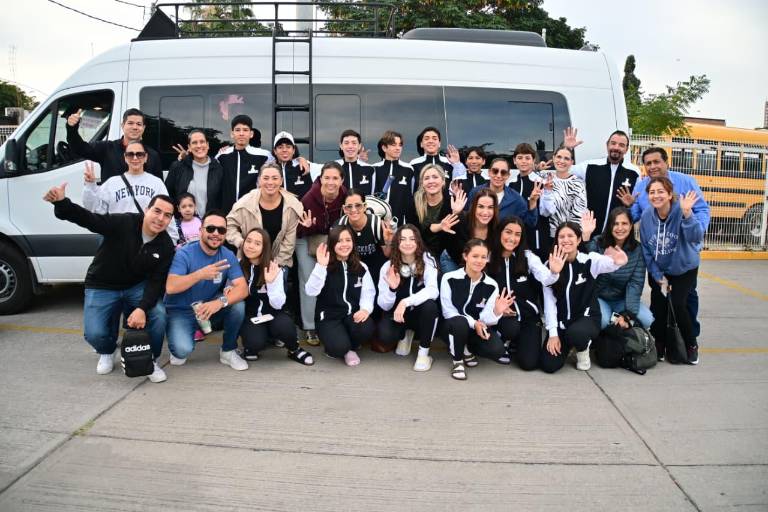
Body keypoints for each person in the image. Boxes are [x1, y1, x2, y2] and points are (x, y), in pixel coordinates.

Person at [44, 183, 174, 383]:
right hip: (102, 284)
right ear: (147, 210)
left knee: (158, 314)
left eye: (167, 215)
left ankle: (150, 359)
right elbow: (91, 220)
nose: (160, 218)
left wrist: (141, 308)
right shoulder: (125, 222)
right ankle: (107, 350)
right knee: (94, 334)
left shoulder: (165, 245)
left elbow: (157, 283)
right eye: (157, 211)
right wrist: (63, 203)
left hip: (135, 286)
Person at [622, 146, 710, 340]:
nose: (652, 166)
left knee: (685, 298)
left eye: (656, 162)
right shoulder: (641, 186)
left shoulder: (685, 181)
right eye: (648, 163)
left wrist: (695, 233)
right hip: (658, 256)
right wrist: (628, 207)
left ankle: (689, 335)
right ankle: (662, 338)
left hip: (682, 254)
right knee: (659, 298)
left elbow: (702, 209)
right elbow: (636, 216)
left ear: (666, 162)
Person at [164, 210, 250, 371]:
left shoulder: (227, 255)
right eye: (210, 229)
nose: (216, 234)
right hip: (181, 310)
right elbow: (171, 286)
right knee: (181, 353)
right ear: (201, 230)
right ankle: (181, 335)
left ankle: (228, 351)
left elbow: (243, 288)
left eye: (221, 230)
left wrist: (220, 302)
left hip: (208, 308)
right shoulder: (185, 253)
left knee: (238, 305)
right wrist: (200, 274)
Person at [541, 222, 628, 373]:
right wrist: (553, 334)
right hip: (562, 323)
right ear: (556, 240)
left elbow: (607, 263)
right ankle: (569, 344)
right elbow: (549, 303)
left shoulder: (589, 260)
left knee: (577, 333)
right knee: (549, 365)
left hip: (586, 318)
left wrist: (618, 262)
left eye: (570, 236)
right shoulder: (550, 264)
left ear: (579, 239)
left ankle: (582, 349)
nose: (566, 239)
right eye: (561, 236)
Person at [639, 177, 703, 364]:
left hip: (684, 268)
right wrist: (658, 276)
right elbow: (646, 249)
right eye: (652, 192)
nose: (656, 195)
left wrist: (687, 214)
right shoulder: (646, 217)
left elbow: (695, 237)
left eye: (661, 191)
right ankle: (659, 343)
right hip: (660, 270)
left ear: (669, 194)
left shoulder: (680, 210)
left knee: (677, 303)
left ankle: (691, 343)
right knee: (658, 306)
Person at [488, 217, 564, 370]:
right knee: (511, 328)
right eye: (508, 232)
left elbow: (546, 279)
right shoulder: (488, 256)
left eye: (517, 234)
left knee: (529, 364)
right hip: (502, 317)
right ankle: (505, 339)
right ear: (499, 233)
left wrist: (554, 273)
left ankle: (517, 343)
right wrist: (495, 304)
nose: (512, 238)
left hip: (528, 317)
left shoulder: (528, 257)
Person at [238, 228, 314, 365]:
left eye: (257, 243)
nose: (250, 246)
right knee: (254, 344)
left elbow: (278, 304)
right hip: (252, 316)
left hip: (274, 313)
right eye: (248, 241)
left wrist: (270, 283)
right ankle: (258, 341)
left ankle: (294, 349)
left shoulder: (273, 267)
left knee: (285, 327)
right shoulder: (238, 265)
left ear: (264, 247)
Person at [440, 239, 513, 380]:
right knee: (459, 322)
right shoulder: (449, 278)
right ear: (465, 256)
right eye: (475, 256)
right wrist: (474, 323)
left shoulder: (491, 285)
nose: (479, 261)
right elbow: (448, 311)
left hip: (476, 328)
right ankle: (458, 361)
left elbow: (485, 318)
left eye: (483, 257)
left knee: (497, 350)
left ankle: (467, 347)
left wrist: (496, 312)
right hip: (452, 326)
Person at [305, 225, 376, 366]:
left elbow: (368, 293)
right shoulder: (324, 265)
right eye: (339, 241)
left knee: (367, 327)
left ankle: (350, 346)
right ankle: (343, 347)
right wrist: (320, 266)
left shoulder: (361, 267)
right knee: (338, 348)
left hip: (351, 315)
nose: (344, 244)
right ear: (332, 244)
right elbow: (310, 291)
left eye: (348, 240)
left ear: (353, 243)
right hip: (329, 318)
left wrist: (365, 309)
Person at [295, 162, 348, 346]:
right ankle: (309, 326)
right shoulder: (310, 198)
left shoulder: (345, 196)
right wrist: (307, 226)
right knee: (309, 279)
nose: (331, 182)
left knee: (335, 279)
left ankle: (334, 321)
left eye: (335, 178)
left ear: (342, 180)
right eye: (327, 178)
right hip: (307, 238)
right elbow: (299, 228)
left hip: (331, 239)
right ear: (320, 178)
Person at [377, 225, 440, 371]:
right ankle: (404, 335)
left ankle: (423, 353)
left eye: (412, 239)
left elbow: (433, 290)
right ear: (397, 243)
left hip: (420, 315)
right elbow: (384, 305)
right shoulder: (388, 267)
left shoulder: (427, 261)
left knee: (430, 306)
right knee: (385, 335)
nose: (407, 243)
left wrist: (406, 302)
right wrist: (392, 290)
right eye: (402, 239)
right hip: (399, 317)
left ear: (418, 242)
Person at [581, 208, 653, 330]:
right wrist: (586, 236)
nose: (620, 228)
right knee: (602, 322)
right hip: (599, 297)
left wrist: (627, 315)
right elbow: (585, 259)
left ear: (631, 226)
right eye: (615, 223)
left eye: (624, 223)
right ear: (610, 226)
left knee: (647, 319)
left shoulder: (637, 250)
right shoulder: (599, 242)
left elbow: (635, 284)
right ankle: (607, 332)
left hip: (621, 299)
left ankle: (616, 325)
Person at [226, 162, 303, 269]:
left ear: (281, 181)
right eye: (266, 178)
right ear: (259, 180)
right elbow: (229, 226)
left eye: (275, 178)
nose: (270, 182)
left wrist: (276, 265)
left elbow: (289, 242)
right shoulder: (245, 203)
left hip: (279, 262)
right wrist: (241, 243)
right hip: (249, 260)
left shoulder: (292, 206)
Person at [563, 127, 640, 232]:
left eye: (621, 145)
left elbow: (637, 205)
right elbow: (564, 170)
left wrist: (631, 205)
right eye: (613, 143)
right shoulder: (590, 166)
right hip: (590, 232)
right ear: (607, 145)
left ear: (626, 149)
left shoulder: (634, 172)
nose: (616, 147)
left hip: (617, 235)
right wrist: (567, 149)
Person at [66, 107, 163, 182]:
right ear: (122, 125)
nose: (135, 127)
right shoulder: (107, 148)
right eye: (130, 123)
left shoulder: (152, 155)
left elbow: (159, 192)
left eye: (139, 124)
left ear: (143, 128)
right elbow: (80, 148)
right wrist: (71, 128)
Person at [82, 140, 169, 215]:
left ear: (146, 157)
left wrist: (172, 234)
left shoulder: (156, 183)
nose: (135, 158)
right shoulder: (112, 183)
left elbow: (166, 211)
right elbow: (96, 208)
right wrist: (90, 185)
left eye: (139, 154)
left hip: (146, 233)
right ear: (125, 157)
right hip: (118, 233)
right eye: (130, 154)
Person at [217, 114, 275, 213]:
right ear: (232, 133)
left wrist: (300, 159)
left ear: (251, 134)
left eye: (245, 130)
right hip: (227, 213)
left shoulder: (264, 156)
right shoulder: (222, 156)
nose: (241, 133)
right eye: (238, 130)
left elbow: (275, 176)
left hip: (253, 212)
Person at [335, 189, 393, 284]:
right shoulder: (340, 226)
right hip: (351, 271)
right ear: (344, 209)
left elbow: (387, 254)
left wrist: (388, 241)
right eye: (349, 206)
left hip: (375, 270)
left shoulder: (377, 224)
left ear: (365, 206)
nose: (354, 210)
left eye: (358, 205)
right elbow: (336, 257)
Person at [412, 163, 467, 259]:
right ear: (422, 183)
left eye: (435, 177)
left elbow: (459, 235)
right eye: (427, 178)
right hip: (421, 255)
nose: (431, 181)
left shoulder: (453, 202)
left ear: (443, 181)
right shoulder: (415, 203)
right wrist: (439, 226)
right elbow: (413, 233)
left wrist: (457, 213)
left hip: (448, 256)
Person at [165, 130, 224, 217]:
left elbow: (221, 199)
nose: (199, 146)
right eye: (194, 143)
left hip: (208, 224)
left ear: (207, 145)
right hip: (183, 224)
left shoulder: (218, 168)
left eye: (202, 142)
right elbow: (168, 195)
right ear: (189, 147)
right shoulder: (178, 167)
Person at [508, 142, 552, 259]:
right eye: (520, 158)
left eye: (527, 158)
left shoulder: (541, 182)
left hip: (537, 235)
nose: (523, 161)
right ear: (514, 161)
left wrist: (538, 199)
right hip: (515, 235)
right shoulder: (511, 184)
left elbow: (547, 212)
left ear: (533, 161)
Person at [466, 157, 539, 225]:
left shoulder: (516, 199)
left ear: (508, 175)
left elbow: (531, 222)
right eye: (495, 171)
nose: (498, 175)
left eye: (503, 172)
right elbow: (468, 218)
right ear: (489, 172)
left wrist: (532, 202)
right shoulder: (475, 192)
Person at [443, 188, 499, 272]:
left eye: (490, 207)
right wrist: (454, 214)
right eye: (481, 206)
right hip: (453, 261)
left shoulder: (497, 228)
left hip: (477, 265)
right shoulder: (461, 219)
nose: (485, 212)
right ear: (473, 207)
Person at [370, 130, 417, 227]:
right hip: (380, 221)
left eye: (400, 145)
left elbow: (412, 195)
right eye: (393, 145)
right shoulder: (375, 168)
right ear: (384, 147)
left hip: (402, 222)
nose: (398, 148)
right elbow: (371, 195)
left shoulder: (408, 169)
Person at [539, 146, 588, 237]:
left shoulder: (578, 184)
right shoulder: (544, 177)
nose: (561, 161)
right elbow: (543, 211)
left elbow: (578, 216)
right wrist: (537, 167)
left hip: (567, 237)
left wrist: (569, 237)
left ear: (571, 162)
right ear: (553, 158)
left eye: (566, 158)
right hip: (545, 236)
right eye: (559, 157)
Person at [272, 131, 316, 199]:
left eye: (288, 147)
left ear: (293, 150)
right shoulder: (269, 170)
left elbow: (331, 169)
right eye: (280, 147)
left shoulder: (306, 166)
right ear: (275, 151)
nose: (284, 150)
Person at [335, 129, 376, 195]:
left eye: (354, 143)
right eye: (346, 143)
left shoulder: (369, 169)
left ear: (359, 146)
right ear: (341, 146)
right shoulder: (334, 167)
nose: (350, 146)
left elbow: (373, 195)